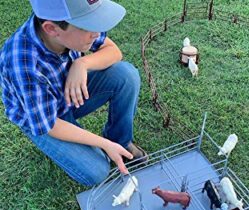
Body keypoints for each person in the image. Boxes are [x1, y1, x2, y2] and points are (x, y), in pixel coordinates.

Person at [0, 0, 148, 186]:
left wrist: (82, 64)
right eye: (88, 26)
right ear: (51, 29)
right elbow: (50, 125)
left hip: (69, 94)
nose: (96, 33)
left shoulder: (71, 28)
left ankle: (121, 140)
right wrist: (103, 144)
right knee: (97, 171)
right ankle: (109, 145)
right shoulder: (21, 62)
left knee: (126, 75)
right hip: (43, 119)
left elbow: (114, 51)